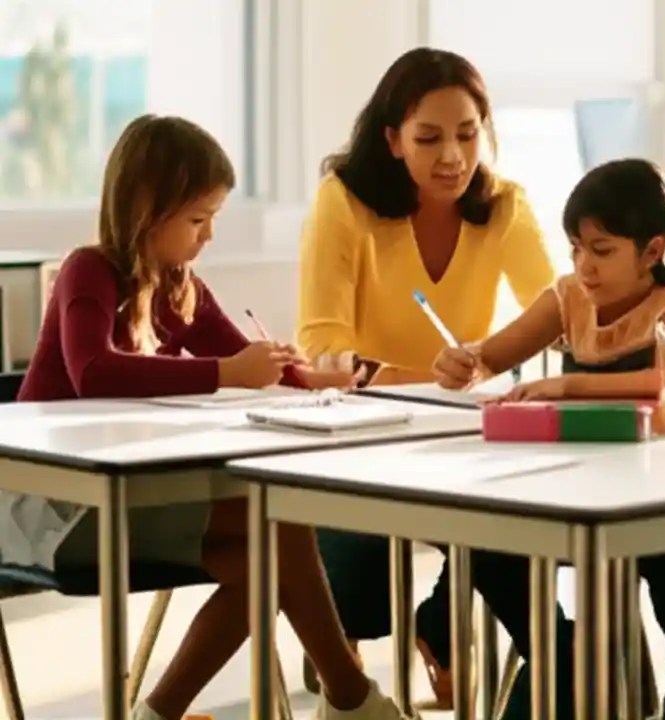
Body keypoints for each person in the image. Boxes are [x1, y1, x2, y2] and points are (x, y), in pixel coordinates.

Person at [6, 114, 405, 720]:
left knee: (271, 545)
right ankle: (352, 703)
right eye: (198, 219)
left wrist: (316, 380)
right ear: (145, 208)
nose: (209, 235)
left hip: (131, 499)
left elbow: (241, 353)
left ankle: (167, 714)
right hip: (53, 512)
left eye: (214, 217)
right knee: (274, 529)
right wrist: (227, 374)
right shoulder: (89, 271)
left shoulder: (181, 287)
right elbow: (95, 371)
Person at [434, 158, 665, 719]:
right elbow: (489, 357)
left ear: (653, 249)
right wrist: (462, 361)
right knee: (482, 540)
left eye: (602, 250)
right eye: (576, 249)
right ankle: (559, 652)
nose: (584, 266)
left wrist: (564, 384)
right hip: (583, 490)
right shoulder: (569, 297)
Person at [295, 47, 556, 705]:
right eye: (429, 138)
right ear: (391, 140)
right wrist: (423, 375)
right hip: (358, 436)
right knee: (361, 596)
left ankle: (536, 655)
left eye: (468, 135)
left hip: (458, 437)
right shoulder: (344, 203)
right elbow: (323, 347)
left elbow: (557, 307)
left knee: (511, 538)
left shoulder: (504, 207)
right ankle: (352, 644)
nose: (453, 157)